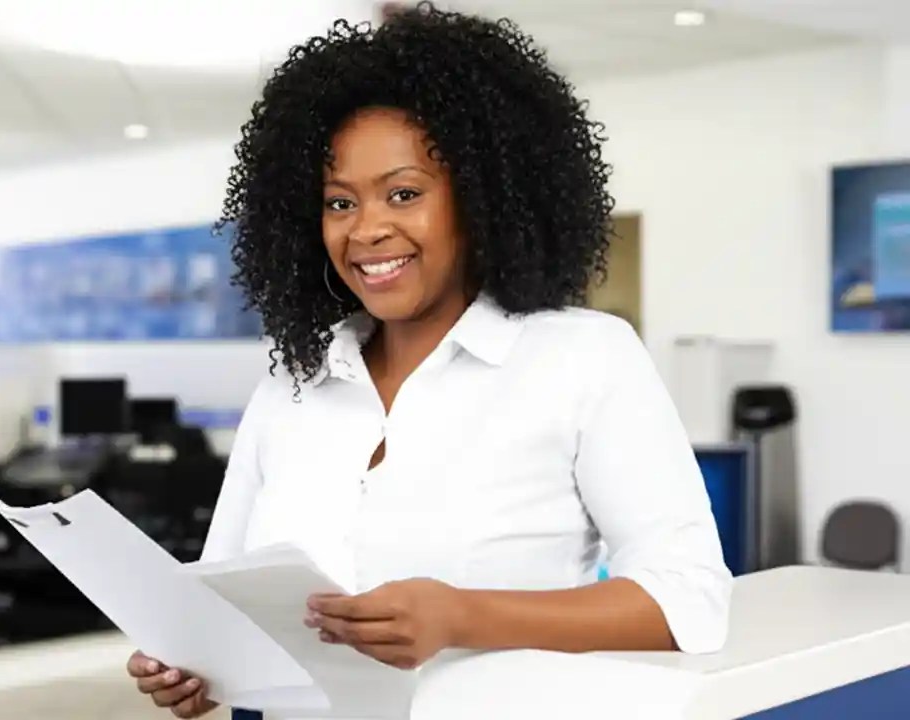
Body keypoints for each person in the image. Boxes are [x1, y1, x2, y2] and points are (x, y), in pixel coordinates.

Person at [127, 4, 732, 718]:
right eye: (339, 202)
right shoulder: (291, 386)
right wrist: (191, 663)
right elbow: (220, 597)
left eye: (404, 193)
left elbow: (686, 598)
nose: (368, 229)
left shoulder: (581, 358)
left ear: (479, 199)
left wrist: (461, 616)